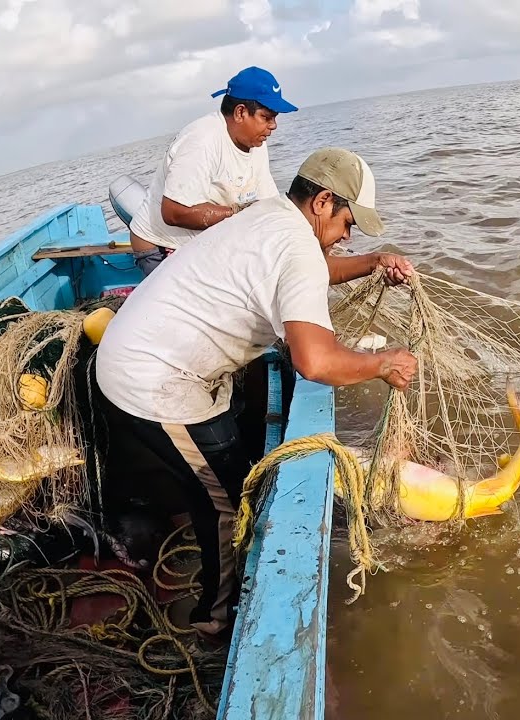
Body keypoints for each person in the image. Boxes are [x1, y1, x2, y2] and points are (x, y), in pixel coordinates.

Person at [95, 147, 418, 646]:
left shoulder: (272, 216)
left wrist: (372, 263)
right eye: (349, 222)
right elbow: (315, 361)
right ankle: (213, 620)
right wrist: (382, 363)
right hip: (152, 380)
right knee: (225, 503)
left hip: (147, 353)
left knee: (231, 474)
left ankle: (197, 532)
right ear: (324, 201)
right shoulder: (296, 249)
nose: (348, 236)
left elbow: (316, 269)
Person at [129, 66, 297, 276]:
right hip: (160, 245)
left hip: (203, 242)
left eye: (275, 118)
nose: (274, 126)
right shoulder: (203, 140)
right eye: (267, 117)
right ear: (240, 112)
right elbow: (172, 212)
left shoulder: (257, 145)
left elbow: (267, 201)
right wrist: (237, 212)